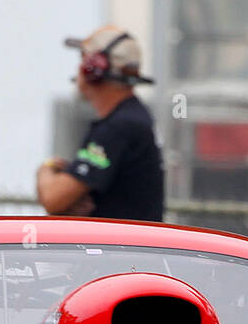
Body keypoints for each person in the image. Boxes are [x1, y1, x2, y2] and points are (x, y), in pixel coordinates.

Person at [36, 26, 163, 222]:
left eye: (83, 59)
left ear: (94, 68)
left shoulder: (119, 127)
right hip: (128, 247)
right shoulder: (130, 119)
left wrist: (46, 169)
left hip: (122, 249)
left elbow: (54, 198)